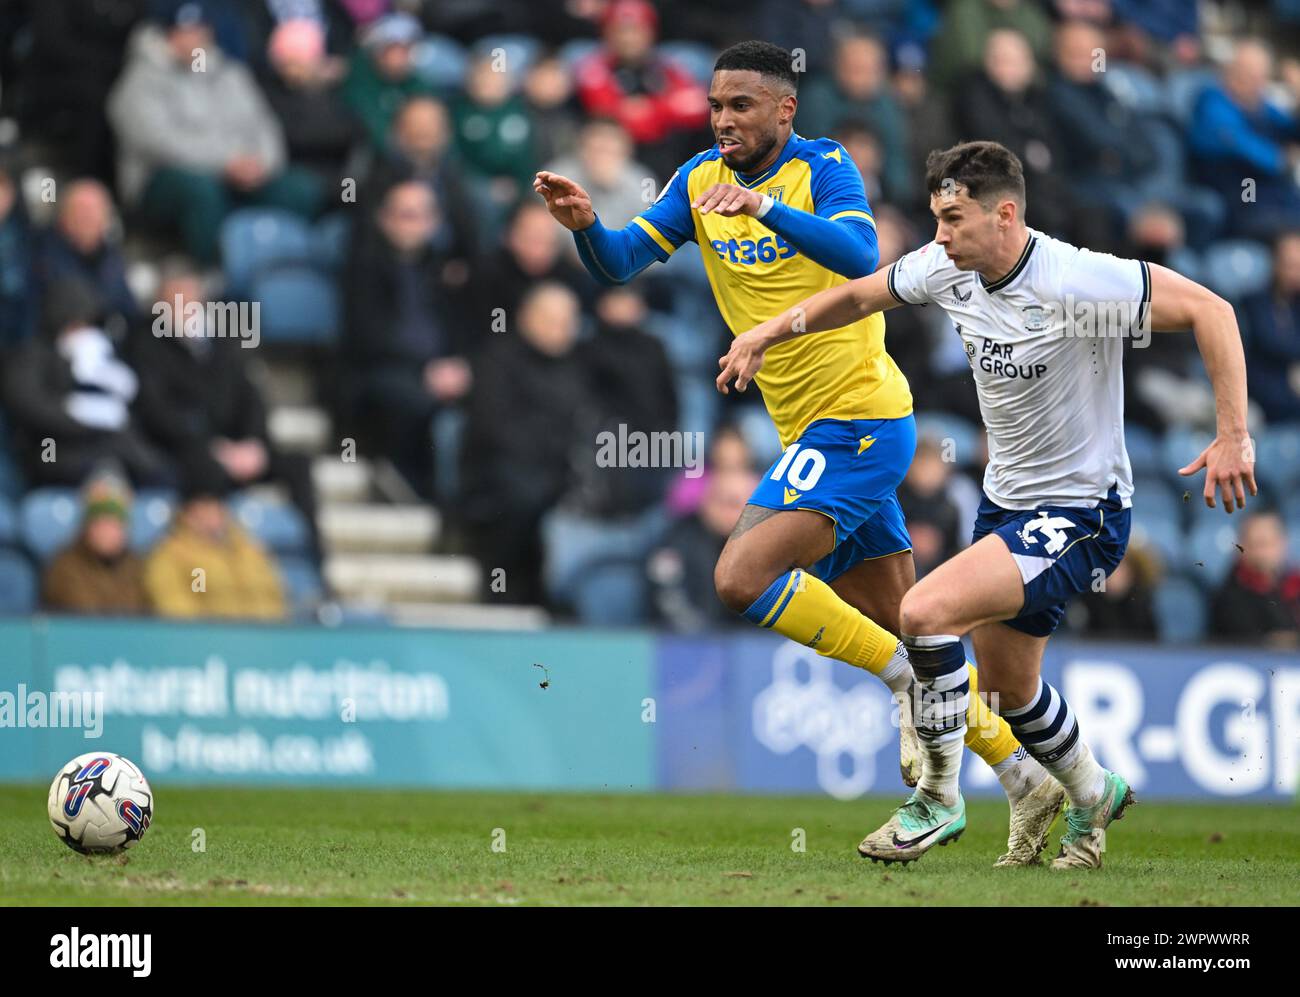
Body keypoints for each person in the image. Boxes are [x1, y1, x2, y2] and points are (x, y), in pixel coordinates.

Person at [535, 40, 1061, 865]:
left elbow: (862, 258)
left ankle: (899, 683)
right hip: (809, 429)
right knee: (910, 628)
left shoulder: (825, 169)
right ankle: (1026, 773)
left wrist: (762, 208)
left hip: (859, 420)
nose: (722, 121)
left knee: (740, 575)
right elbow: (622, 262)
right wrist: (586, 228)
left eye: (740, 105)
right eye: (714, 105)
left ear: (784, 109)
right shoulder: (694, 181)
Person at [719, 140, 1256, 868]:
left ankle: (937, 798)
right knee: (1009, 692)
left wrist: (1233, 435)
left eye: (952, 218)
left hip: (1081, 512)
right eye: (936, 217)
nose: (938, 234)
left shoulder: (1077, 279)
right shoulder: (948, 269)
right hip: (1007, 506)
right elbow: (855, 294)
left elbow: (1212, 309)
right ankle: (1094, 793)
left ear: (1005, 215)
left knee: (922, 615)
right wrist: (767, 330)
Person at [107, 0, 320, 263]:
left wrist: (261, 164)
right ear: (165, 34)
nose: (195, 38)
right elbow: (160, 143)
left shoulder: (231, 73)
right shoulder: (140, 80)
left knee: (298, 188)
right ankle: (212, 273)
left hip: (242, 175)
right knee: (201, 191)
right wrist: (225, 162)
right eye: (185, 30)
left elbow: (264, 126)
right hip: (162, 183)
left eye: (200, 29)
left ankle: (288, 269)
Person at [343, 180, 472, 500]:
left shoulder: (446, 271)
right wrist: (426, 369)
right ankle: (409, 483)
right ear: (384, 218)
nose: (412, 224)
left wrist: (457, 366)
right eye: (404, 214)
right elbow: (365, 336)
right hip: (380, 369)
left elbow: (463, 329)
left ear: (435, 222)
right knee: (411, 399)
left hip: (440, 370)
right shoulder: (362, 266)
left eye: (421, 215)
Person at [144, 460, 287, 620]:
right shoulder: (175, 557)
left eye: (217, 504)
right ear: (187, 511)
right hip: (209, 641)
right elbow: (180, 613)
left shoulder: (250, 550)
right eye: (205, 505)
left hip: (261, 639)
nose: (213, 512)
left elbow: (274, 598)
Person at [41, 469, 150, 614]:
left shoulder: (138, 567)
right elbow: (83, 615)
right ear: (86, 528)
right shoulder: (64, 566)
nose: (106, 532)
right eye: (100, 523)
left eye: (114, 525)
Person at [1210, 510, 1300, 648]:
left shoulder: (1293, 584)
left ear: (1284, 543)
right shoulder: (1231, 596)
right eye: (1256, 544)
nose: (1263, 552)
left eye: (1269, 543)